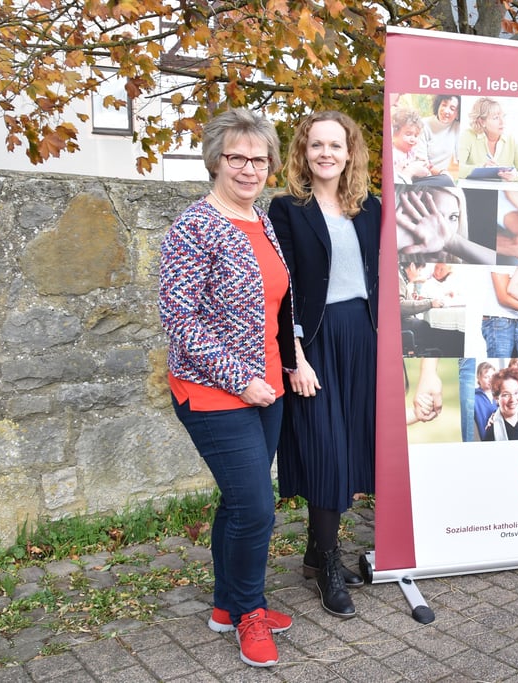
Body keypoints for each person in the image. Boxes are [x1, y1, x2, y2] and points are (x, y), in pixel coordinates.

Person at [158, 108, 291, 667]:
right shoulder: (194, 227)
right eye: (236, 157)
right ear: (216, 160)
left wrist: (285, 370)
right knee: (257, 507)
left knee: (240, 502)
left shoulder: (262, 222)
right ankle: (248, 611)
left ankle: (223, 605)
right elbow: (180, 323)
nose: (247, 168)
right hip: (217, 393)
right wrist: (244, 380)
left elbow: (279, 307)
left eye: (258, 159)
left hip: (268, 386)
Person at [268, 110, 381, 620]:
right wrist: (295, 357)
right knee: (326, 451)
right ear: (304, 152)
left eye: (336, 145)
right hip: (316, 341)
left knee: (353, 447)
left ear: (350, 152)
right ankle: (329, 563)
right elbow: (282, 289)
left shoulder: (371, 207)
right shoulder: (288, 209)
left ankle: (316, 554)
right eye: (317, 145)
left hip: (364, 337)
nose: (327, 154)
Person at [457, 97, 518, 181]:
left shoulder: (510, 139)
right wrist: (482, 168)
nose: (502, 122)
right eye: (496, 118)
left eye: (503, 116)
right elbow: (456, 169)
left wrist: (515, 176)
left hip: (503, 192)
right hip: (473, 191)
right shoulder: (468, 136)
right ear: (482, 122)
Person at [482, 370, 518, 441]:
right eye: (506, 395)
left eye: (516, 393)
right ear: (496, 398)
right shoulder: (492, 431)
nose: (512, 399)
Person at [420, 94, 460, 177]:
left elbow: (461, 158)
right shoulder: (424, 125)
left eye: (452, 109)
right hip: (422, 175)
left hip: (440, 177)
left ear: (457, 114)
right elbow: (421, 161)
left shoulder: (457, 127)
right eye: (444, 105)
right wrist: (441, 173)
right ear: (438, 105)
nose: (446, 111)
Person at [391, 107, 430, 184]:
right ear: (396, 133)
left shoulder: (411, 151)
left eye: (416, 135)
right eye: (408, 134)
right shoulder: (393, 154)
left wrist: (421, 161)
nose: (413, 139)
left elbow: (414, 159)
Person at [473, 361, 498, 438]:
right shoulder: (473, 398)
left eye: (492, 376)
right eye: (486, 377)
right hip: (484, 439)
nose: (490, 380)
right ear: (478, 377)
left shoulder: (499, 394)